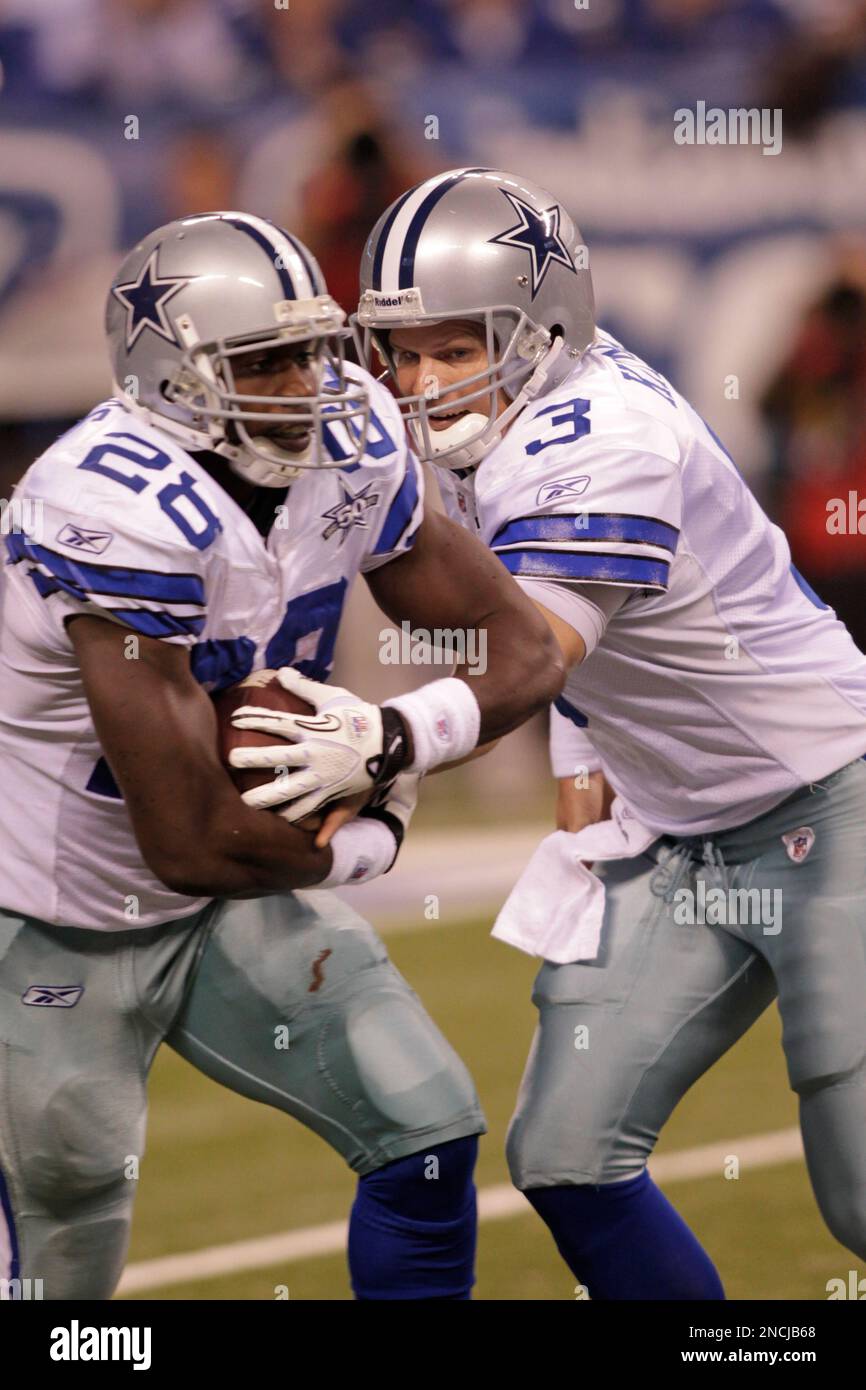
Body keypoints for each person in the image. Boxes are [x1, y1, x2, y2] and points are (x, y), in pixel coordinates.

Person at [0, 210, 562, 1301]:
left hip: (225, 900)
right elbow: (190, 841)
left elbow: (522, 646)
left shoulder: (350, 434)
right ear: (171, 377)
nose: (307, 384)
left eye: (312, 349)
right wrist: (374, 835)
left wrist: (401, 735)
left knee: (428, 1128)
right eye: (264, 361)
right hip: (45, 911)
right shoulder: (107, 506)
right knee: (66, 1237)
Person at [353, 167, 866, 1299]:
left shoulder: (603, 432)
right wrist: (589, 757)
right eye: (403, 351)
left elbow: (532, 650)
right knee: (568, 1158)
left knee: (859, 1193)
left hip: (829, 805)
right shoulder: (512, 425)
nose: (422, 382)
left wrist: (386, 739)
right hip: (677, 831)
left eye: (453, 347)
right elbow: (590, 635)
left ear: (542, 328)